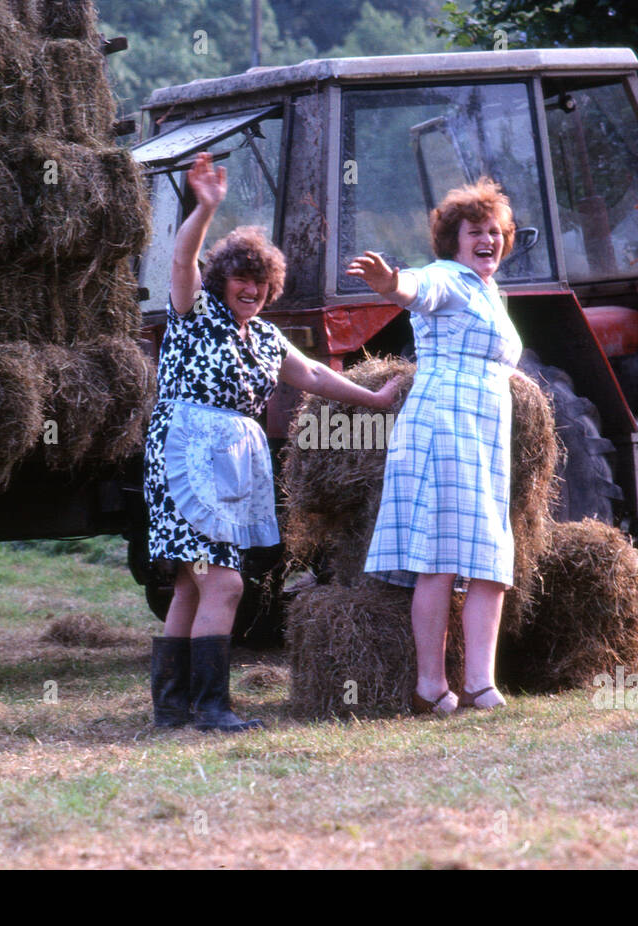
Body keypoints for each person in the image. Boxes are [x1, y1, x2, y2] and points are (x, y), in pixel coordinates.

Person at [146, 152, 400, 733]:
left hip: (232, 459)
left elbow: (311, 375)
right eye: (242, 279)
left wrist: (377, 400)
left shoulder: (262, 336)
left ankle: (172, 707)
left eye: (261, 283)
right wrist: (206, 208)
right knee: (224, 580)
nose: (252, 290)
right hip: (186, 451)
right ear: (222, 279)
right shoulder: (195, 312)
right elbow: (182, 257)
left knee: (193, 580)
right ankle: (210, 707)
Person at [347, 177, 527, 715]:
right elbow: (417, 289)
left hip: (485, 430)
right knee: (441, 557)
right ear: (454, 240)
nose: (488, 239)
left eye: (496, 231)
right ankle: (431, 686)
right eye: (477, 231)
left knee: (490, 557)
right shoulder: (448, 276)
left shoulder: (488, 290)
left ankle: (479, 683)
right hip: (445, 425)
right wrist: (390, 283)